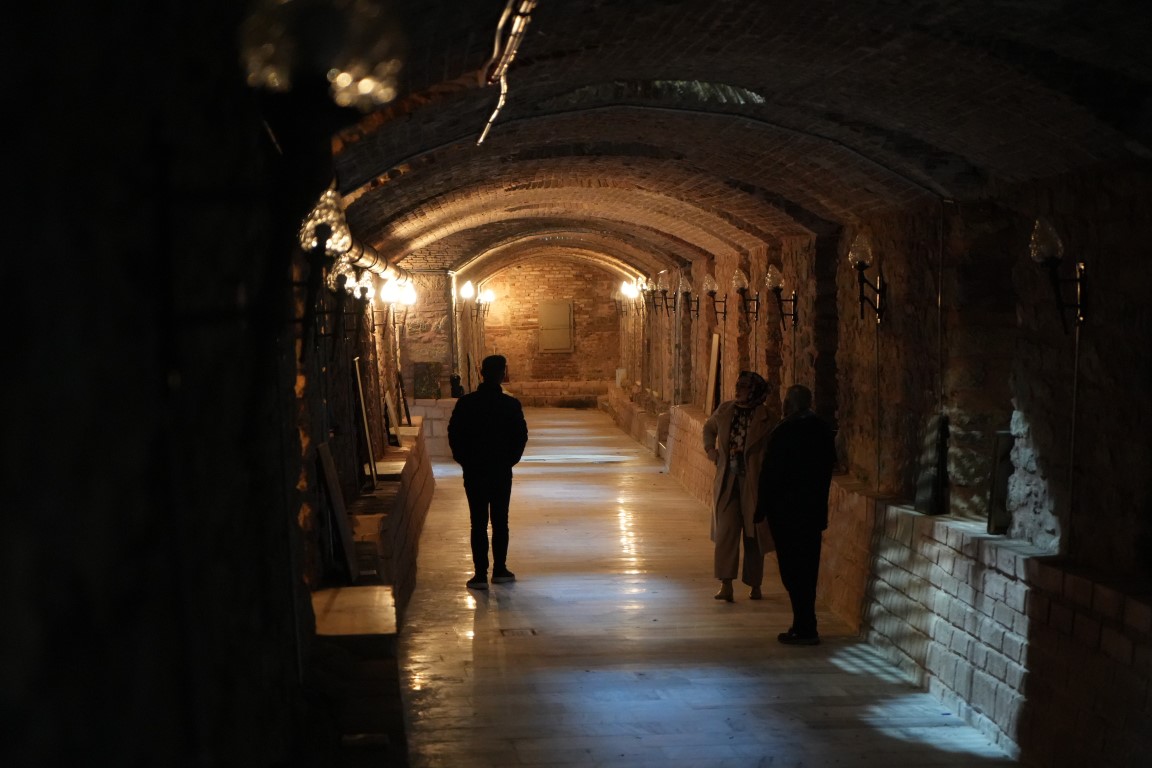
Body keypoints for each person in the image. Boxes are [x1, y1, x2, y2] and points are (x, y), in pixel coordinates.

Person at [756, 384, 837, 645]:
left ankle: (804, 626)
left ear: (789, 404)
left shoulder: (784, 430)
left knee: (792, 570)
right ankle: (806, 622)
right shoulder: (822, 429)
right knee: (808, 568)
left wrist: (761, 507)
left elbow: (770, 473)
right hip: (812, 512)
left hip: (787, 513)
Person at [447, 355, 529, 591]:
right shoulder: (510, 405)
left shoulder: (466, 404)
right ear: (502, 374)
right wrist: (509, 461)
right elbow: (520, 436)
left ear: (482, 373)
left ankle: (480, 574)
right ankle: (500, 569)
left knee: (478, 522)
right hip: (500, 470)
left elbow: (454, 435)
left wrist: (464, 461)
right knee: (500, 521)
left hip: (474, 471)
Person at [702, 371, 773, 602]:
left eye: (744, 387)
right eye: (738, 386)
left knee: (753, 535)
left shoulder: (766, 418)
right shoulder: (725, 411)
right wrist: (711, 450)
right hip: (728, 480)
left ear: (754, 391)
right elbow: (709, 428)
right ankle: (726, 583)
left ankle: (754, 584)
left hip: (752, 483)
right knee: (726, 532)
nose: (738, 390)